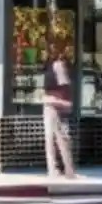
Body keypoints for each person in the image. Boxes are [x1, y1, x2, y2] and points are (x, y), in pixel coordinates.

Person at [42, 47, 76, 178]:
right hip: (52, 104)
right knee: (57, 139)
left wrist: (58, 101)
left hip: (54, 105)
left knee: (58, 139)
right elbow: (65, 87)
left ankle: (62, 169)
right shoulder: (52, 66)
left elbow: (64, 87)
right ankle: (62, 169)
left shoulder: (56, 66)